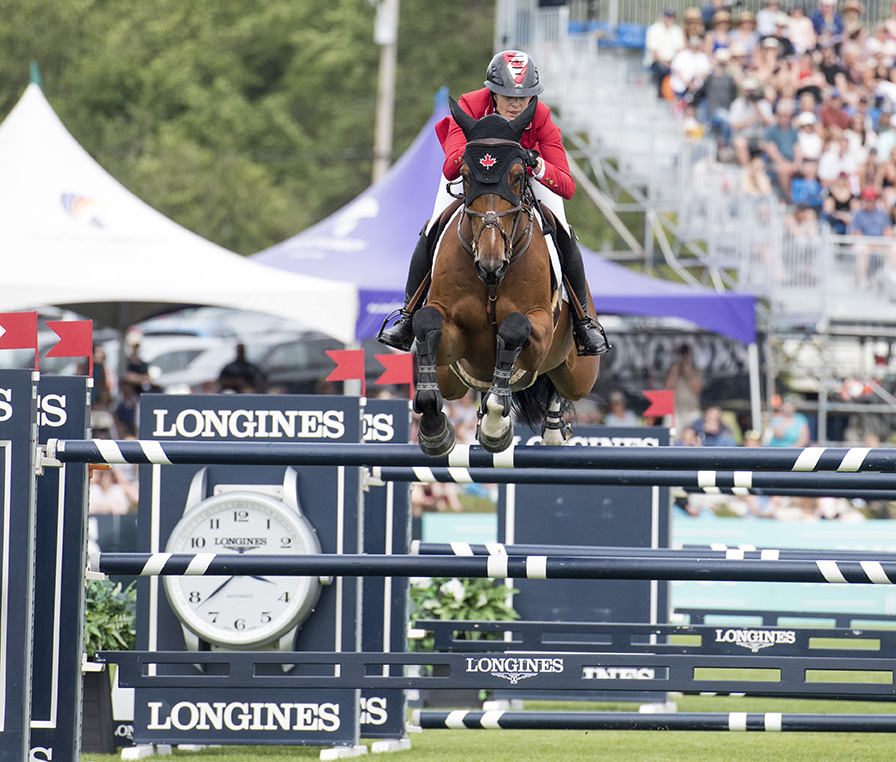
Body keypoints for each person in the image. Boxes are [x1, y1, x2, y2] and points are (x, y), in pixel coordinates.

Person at [378, 50, 610, 357]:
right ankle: (408, 315)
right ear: (492, 92)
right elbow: (450, 167)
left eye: (524, 97)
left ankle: (583, 322)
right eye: (507, 96)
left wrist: (535, 164)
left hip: (521, 177)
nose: (516, 104)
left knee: (562, 229)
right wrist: (483, 157)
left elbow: (566, 186)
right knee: (435, 224)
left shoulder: (540, 116)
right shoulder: (470, 106)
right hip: (475, 178)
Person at [644, 9, 686, 100]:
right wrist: (666, 63)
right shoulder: (654, 29)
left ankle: (679, 97)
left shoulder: (677, 30)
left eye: (671, 17)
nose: (669, 19)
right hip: (657, 61)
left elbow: (680, 49)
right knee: (662, 69)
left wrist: (674, 63)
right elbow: (654, 52)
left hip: (673, 61)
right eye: (667, 16)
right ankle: (661, 95)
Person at [664, 343, 704, 433]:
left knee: (692, 436)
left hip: (691, 410)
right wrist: (674, 372)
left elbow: (697, 390)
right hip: (675, 411)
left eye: (685, 354)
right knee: (670, 435)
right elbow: (667, 389)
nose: (683, 357)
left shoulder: (697, 370)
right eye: (681, 354)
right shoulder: (672, 370)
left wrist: (688, 373)